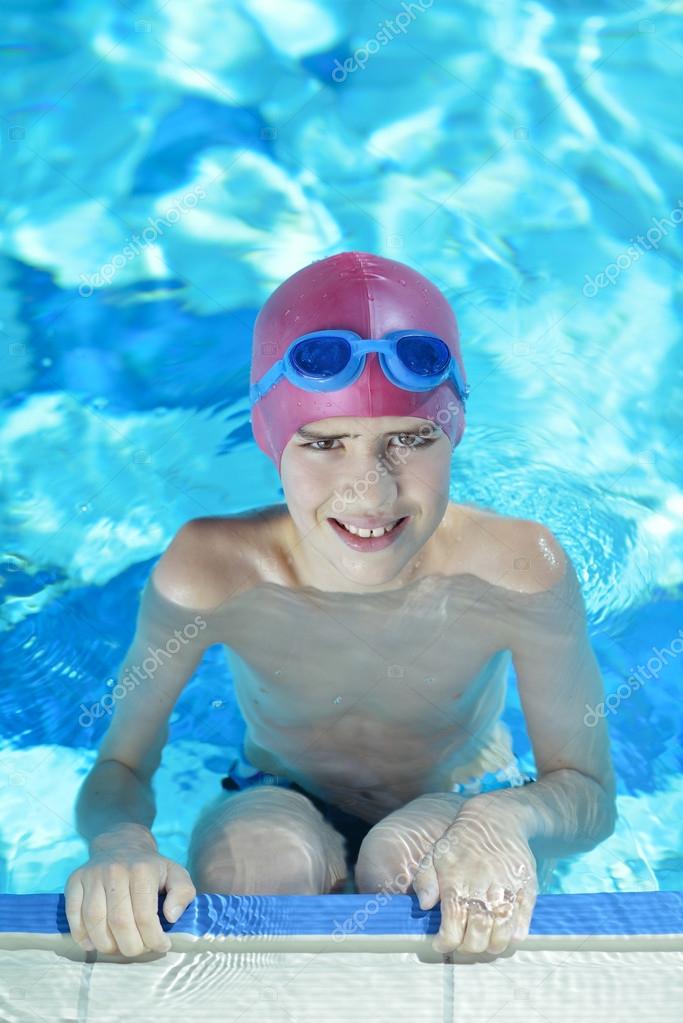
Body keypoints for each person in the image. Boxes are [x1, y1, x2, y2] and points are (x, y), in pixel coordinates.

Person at [65, 251, 617, 959]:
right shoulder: (212, 571)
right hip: (277, 790)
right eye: (324, 443)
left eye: (409, 439)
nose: (370, 492)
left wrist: (503, 819)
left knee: (408, 865)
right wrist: (120, 844)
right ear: (270, 441)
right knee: (258, 871)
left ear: (452, 435)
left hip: (465, 797)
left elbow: (586, 791)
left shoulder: (516, 569)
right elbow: (119, 768)